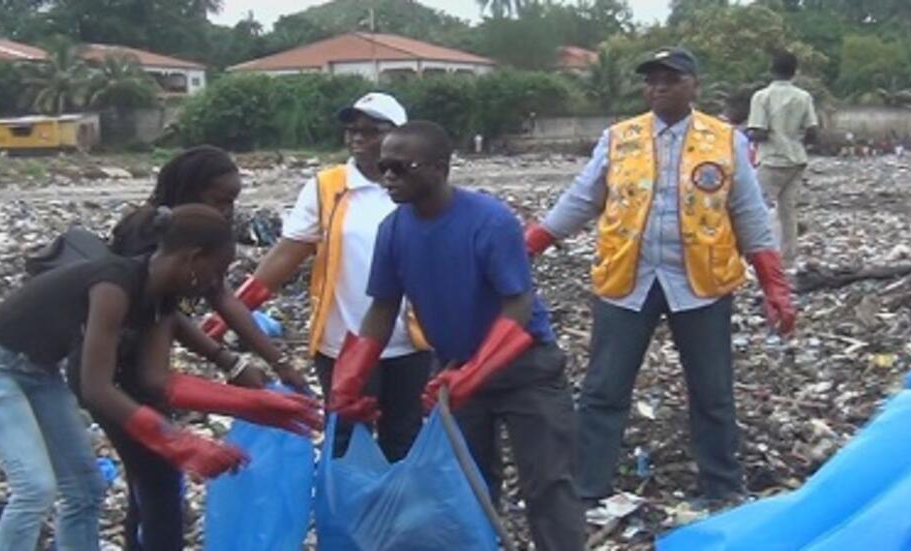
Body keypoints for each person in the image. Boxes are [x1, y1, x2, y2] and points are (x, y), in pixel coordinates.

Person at [0, 205, 321, 551]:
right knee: (35, 488)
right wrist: (176, 440)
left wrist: (258, 404)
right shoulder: (115, 286)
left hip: (39, 372)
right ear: (193, 259)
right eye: (216, 271)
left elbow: (154, 379)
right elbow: (97, 388)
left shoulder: (160, 297)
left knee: (86, 489)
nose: (215, 284)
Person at [525, 47, 795, 504]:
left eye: (671, 78)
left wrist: (775, 286)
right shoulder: (619, 138)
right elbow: (581, 199)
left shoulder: (725, 141)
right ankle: (588, 487)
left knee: (712, 393)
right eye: (652, 79)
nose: (659, 86)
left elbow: (749, 214)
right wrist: (531, 244)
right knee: (604, 389)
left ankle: (721, 488)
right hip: (628, 281)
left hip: (701, 284)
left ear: (694, 85)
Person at [328, 120, 585, 550]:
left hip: (525, 370)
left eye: (398, 167)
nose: (387, 176)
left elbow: (518, 303)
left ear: (438, 168)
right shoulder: (394, 229)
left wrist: (477, 371)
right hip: (455, 372)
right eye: (382, 166)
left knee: (547, 484)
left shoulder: (490, 220)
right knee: (469, 488)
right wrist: (350, 377)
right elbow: (383, 306)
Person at [74, 146, 315, 551]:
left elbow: (221, 297)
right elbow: (169, 315)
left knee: (155, 481)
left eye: (233, 202)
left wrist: (277, 361)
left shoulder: (201, 234)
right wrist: (230, 364)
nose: (226, 210)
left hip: (145, 368)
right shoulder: (148, 232)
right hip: (114, 369)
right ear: (188, 189)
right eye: (219, 200)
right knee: (157, 479)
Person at [202, 93, 434, 462]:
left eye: (371, 130)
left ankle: (396, 515)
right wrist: (235, 308)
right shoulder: (328, 188)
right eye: (352, 130)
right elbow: (287, 254)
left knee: (404, 437)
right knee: (346, 438)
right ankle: (348, 514)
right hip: (343, 341)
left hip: (411, 340)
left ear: (398, 136)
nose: (358, 138)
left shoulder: (416, 186)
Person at [747, 50, 819, 267]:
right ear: (794, 72)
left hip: (772, 159)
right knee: (788, 211)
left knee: (756, 208)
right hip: (796, 159)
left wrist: (746, 134)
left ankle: (755, 255)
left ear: (771, 70)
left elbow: (758, 131)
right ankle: (788, 259)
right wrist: (795, 139)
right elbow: (813, 131)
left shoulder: (762, 97)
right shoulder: (804, 97)